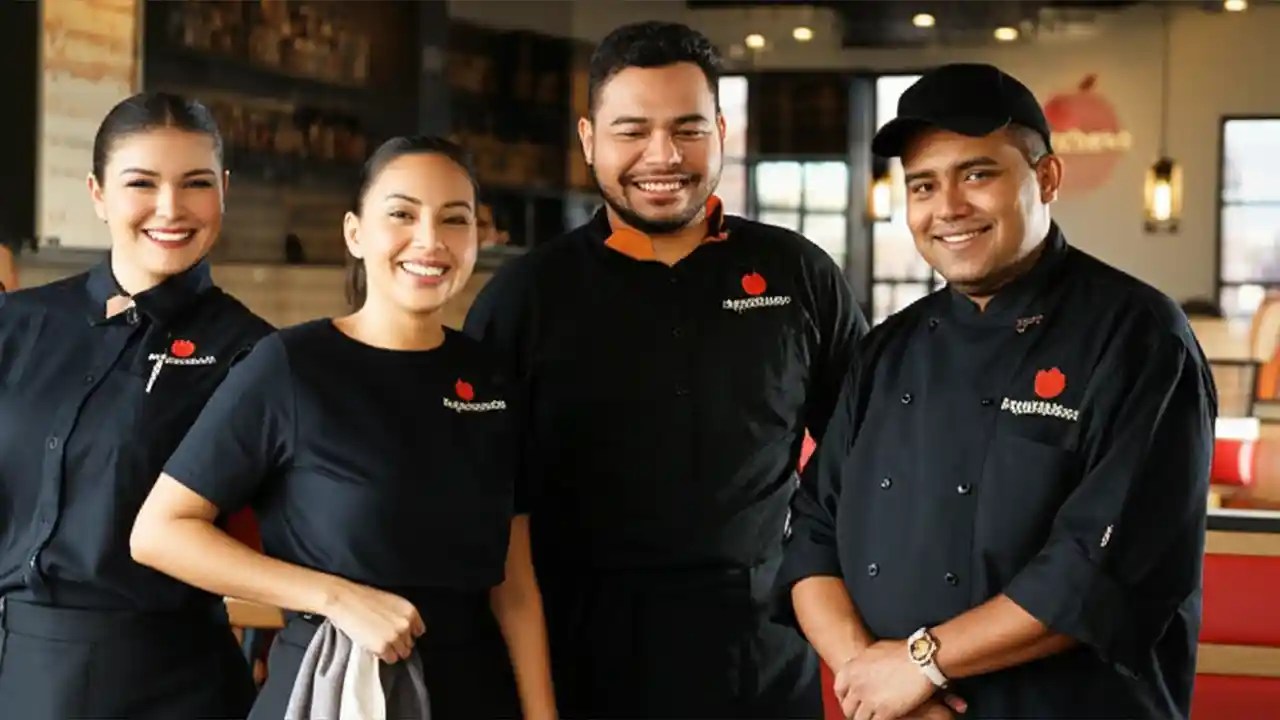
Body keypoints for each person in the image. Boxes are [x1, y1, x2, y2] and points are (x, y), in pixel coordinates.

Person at [774, 63, 1217, 720]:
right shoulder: (886, 351)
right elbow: (813, 536)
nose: (948, 208)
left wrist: (920, 662)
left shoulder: (1139, 338)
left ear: (1046, 179)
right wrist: (871, 676)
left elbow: (1094, 573)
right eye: (924, 185)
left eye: (978, 174)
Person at [464, 21, 866, 719]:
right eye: (631, 131)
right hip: (578, 661)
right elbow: (484, 515)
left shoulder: (797, 273)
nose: (663, 155)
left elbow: (869, 460)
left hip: (763, 661)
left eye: (687, 128)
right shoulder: (524, 298)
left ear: (720, 130)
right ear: (588, 139)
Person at [130, 135, 557, 720]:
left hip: (475, 693)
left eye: (454, 220)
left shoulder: (494, 379)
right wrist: (335, 597)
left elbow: (514, 585)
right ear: (355, 234)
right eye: (402, 214)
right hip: (335, 691)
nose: (430, 241)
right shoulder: (290, 366)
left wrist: (541, 715)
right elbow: (159, 533)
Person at [0, 92, 272, 718]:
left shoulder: (254, 353)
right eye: (141, 183)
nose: (171, 209)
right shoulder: (17, 325)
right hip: (19, 669)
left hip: (176, 681)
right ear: (97, 192)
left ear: (223, 191)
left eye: (196, 183)